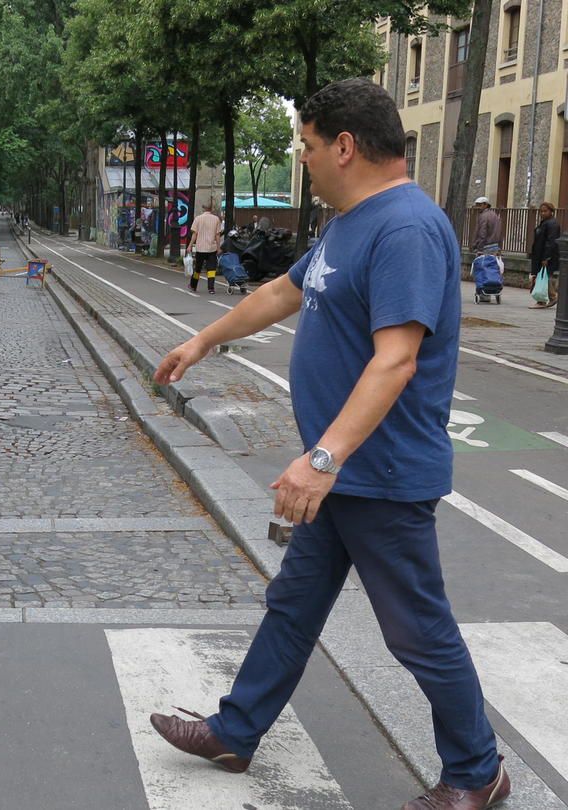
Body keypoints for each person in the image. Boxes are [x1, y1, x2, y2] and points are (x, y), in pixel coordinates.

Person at [149, 78, 511, 810]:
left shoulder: (405, 228)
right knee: (294, 605)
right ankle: (236, 730)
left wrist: (322, 458)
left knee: (417, 633)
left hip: (379, 475)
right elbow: (283, 292)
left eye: (307, 147)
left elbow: (397, 360)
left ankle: (478, 771)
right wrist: (203, 340)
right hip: (343, 476)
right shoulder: (349, 222)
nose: (303, 159)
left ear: (344, 146)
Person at [528, 201, 560, 308]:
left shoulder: (552, 224)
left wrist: (546, 257)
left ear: (551, 212)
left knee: (544, 276)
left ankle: (545, 299)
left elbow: (551, 242)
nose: (542, 213)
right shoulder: (545, 223)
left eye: (545, 211)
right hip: (540, 254)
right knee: (542, 276)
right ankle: (546, 298)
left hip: (546, 255)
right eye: (541, 211)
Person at [186, 200, 222, 293]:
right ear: (211, 209)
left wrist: (190, 246)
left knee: (197, 269)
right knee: (211, 269)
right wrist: (218, 247)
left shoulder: (198, 218)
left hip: (200, 247)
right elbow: (217, 235)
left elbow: (195, 234)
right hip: (212, 248)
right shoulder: (216, 219)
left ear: (204, 208)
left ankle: (193, 286)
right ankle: (211, 288)